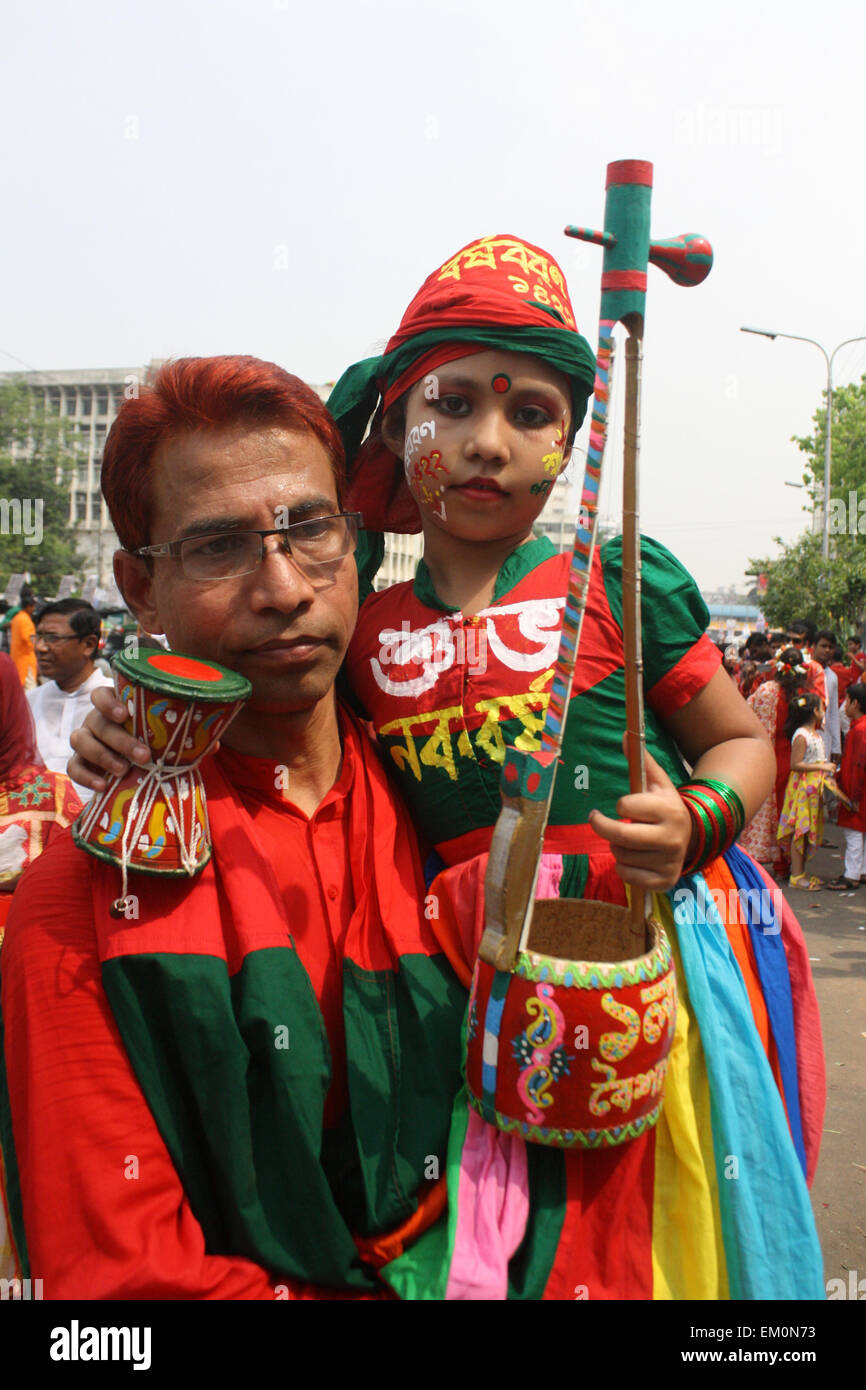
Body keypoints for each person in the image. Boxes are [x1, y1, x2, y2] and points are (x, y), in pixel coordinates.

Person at [67, 345, 824, 1300]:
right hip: (469, 975)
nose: (489, 445)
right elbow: (258, 711)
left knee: (666, 1221)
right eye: (453, 406)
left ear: (574, 442)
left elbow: (740, 741)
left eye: (534, 415)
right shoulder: (363, 627)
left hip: (640, 948)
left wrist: (695, 822)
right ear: (389, 428)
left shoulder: (617, 584)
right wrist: (128, 719)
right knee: (500, 1217)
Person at [1, 358, 467, 1300]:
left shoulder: (455, 802)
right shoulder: (79, 901)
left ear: (354, 540)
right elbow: (127, 1281)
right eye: (218, 547)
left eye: (310, 530)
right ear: (139, 589)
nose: (284, 587)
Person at [26, 599, 114, 803]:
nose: (40, 647)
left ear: (88, 644)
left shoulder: (116, 701)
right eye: (38, 637)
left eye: (52, 638)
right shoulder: (28, 702)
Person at [738, 647, 808, 873]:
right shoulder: (802, 696)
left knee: (763, 807)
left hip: (764, 755)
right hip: (792, 758)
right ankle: (785, 862)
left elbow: (747, 713)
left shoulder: (766, 690)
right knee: (788, 809)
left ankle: (757, 857)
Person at [776, 693, 836, 890]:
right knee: (799, 831)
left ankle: (800, 871)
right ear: (815, 712)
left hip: (813, 789)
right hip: (802, 789)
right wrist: (823, 767)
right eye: (822, 708)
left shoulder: (815, 734)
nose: (824, 712)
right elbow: (796, 764)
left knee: (808, 828)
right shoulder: (802, 735)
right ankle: (796, 875)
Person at [825, 682, 866, 892]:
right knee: (860, 834)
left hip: (858, 790)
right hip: (858, 788)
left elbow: (859, 765)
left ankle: (851, 875)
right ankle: (861, 870)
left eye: (846, 701)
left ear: (855, 703)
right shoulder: (859, 727)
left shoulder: (859, 730)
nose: (844, 705)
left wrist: (853, 795)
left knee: (854, 834)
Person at [8, 589, 37, 689]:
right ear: (29, 607)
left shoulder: (17, 618)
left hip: (17, 657)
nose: (34, 609)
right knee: (30, 689)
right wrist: (38, 644)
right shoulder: (25, 620)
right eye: (33, 607)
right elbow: (28, 639)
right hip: (25, 659)